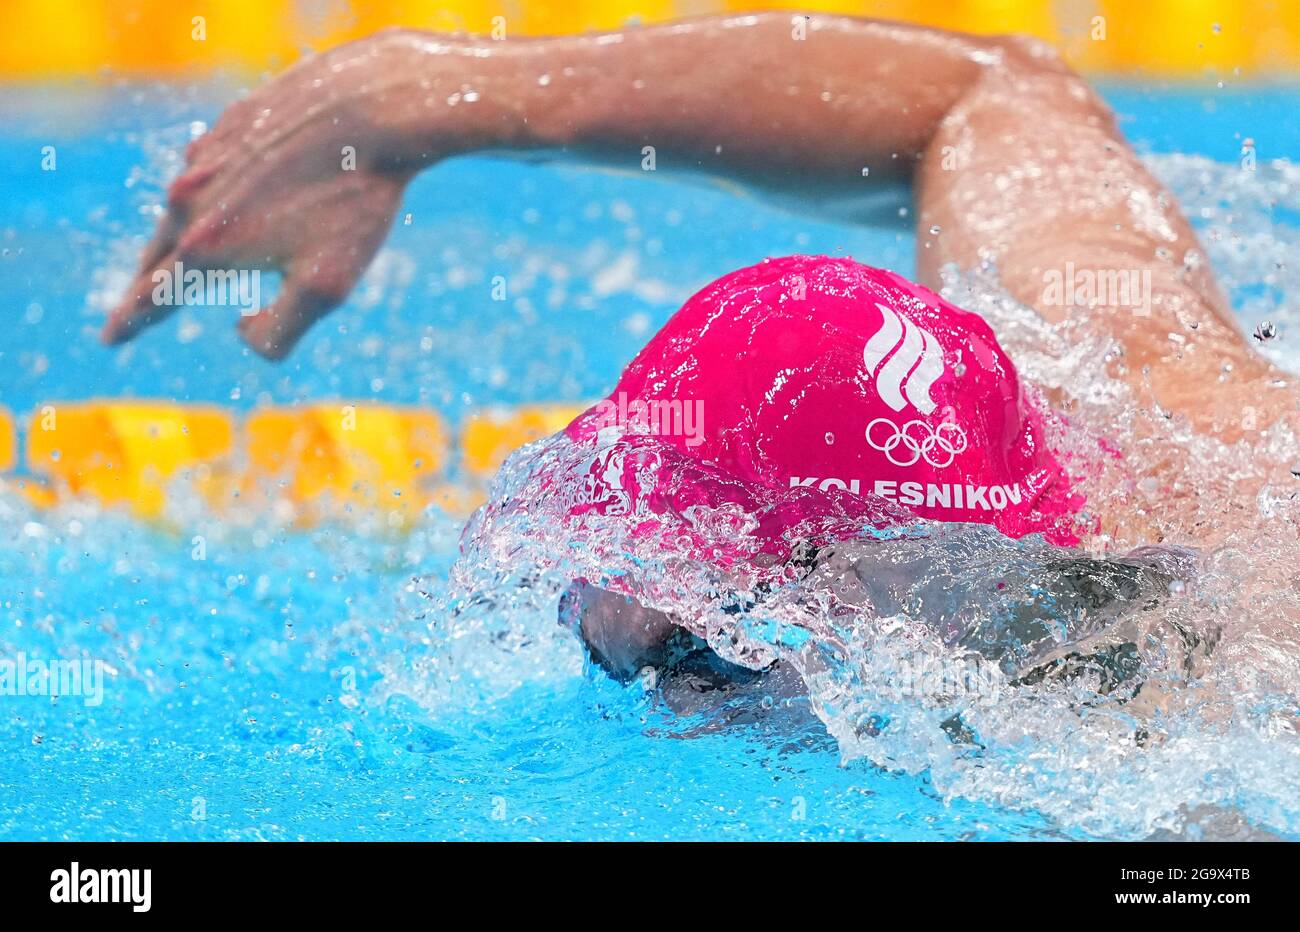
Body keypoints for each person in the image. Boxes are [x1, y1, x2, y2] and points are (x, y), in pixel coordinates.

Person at [100, 13, 1294, 680]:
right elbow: (981, 95)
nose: (607, 631)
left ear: (844, 599)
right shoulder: (1104, 352)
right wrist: (443, 96)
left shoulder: (1232, 683)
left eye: (702, 647)